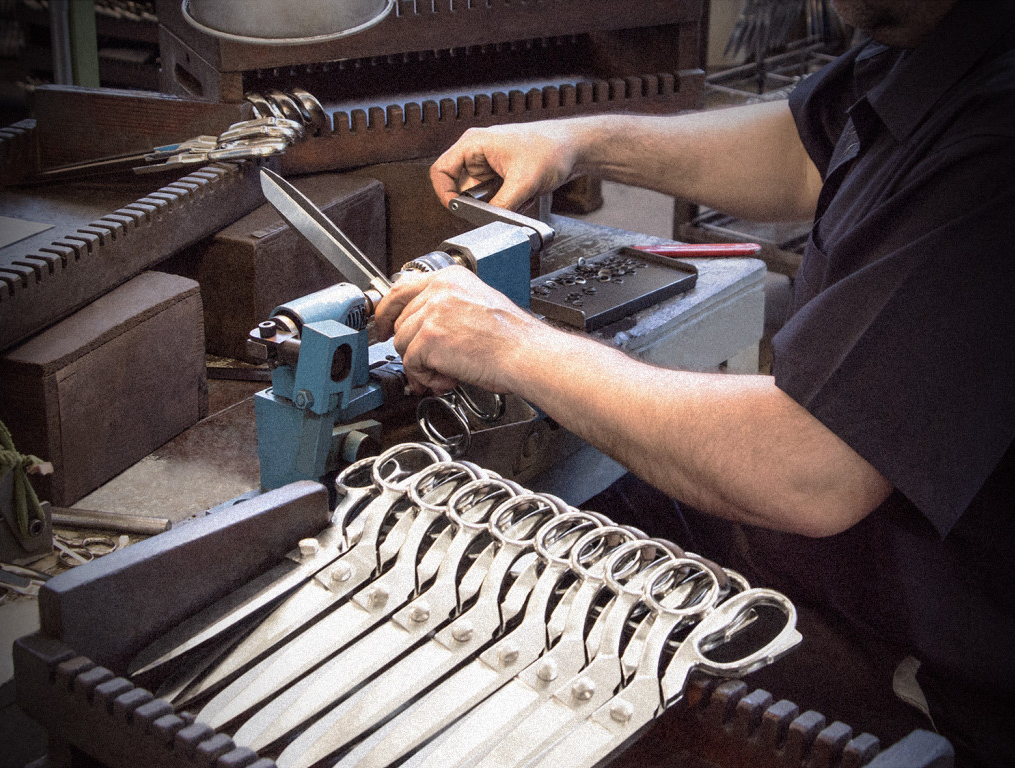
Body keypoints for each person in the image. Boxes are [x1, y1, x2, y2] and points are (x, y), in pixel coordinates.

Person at [372, 0, 1015, 764]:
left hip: (940, 675)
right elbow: (804, 150)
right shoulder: (931, 35)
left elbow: (808, 469)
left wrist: (510, 344)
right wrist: (578, 141)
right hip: (855, 569)